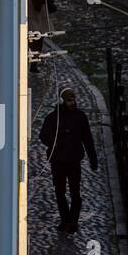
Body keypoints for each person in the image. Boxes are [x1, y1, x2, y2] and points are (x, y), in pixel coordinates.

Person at [38, 87, 98, 234]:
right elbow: (43, 136)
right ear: (63, 101)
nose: (72, 102)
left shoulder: (80, 117)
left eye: (73, 100)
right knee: (60, 192)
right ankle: (66, 220)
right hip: (58, 161)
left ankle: (72, 221)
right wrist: (55, 143)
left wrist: (93, 159)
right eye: (69, 100)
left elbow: (87, 139)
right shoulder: (53, 118)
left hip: (73, 160)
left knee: (75, 193)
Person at [27, 0, 56, 73]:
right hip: (30, 13)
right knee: (32, 39)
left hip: (42, 15)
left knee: (39, 40)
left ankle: (34, 63)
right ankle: (31, 62)